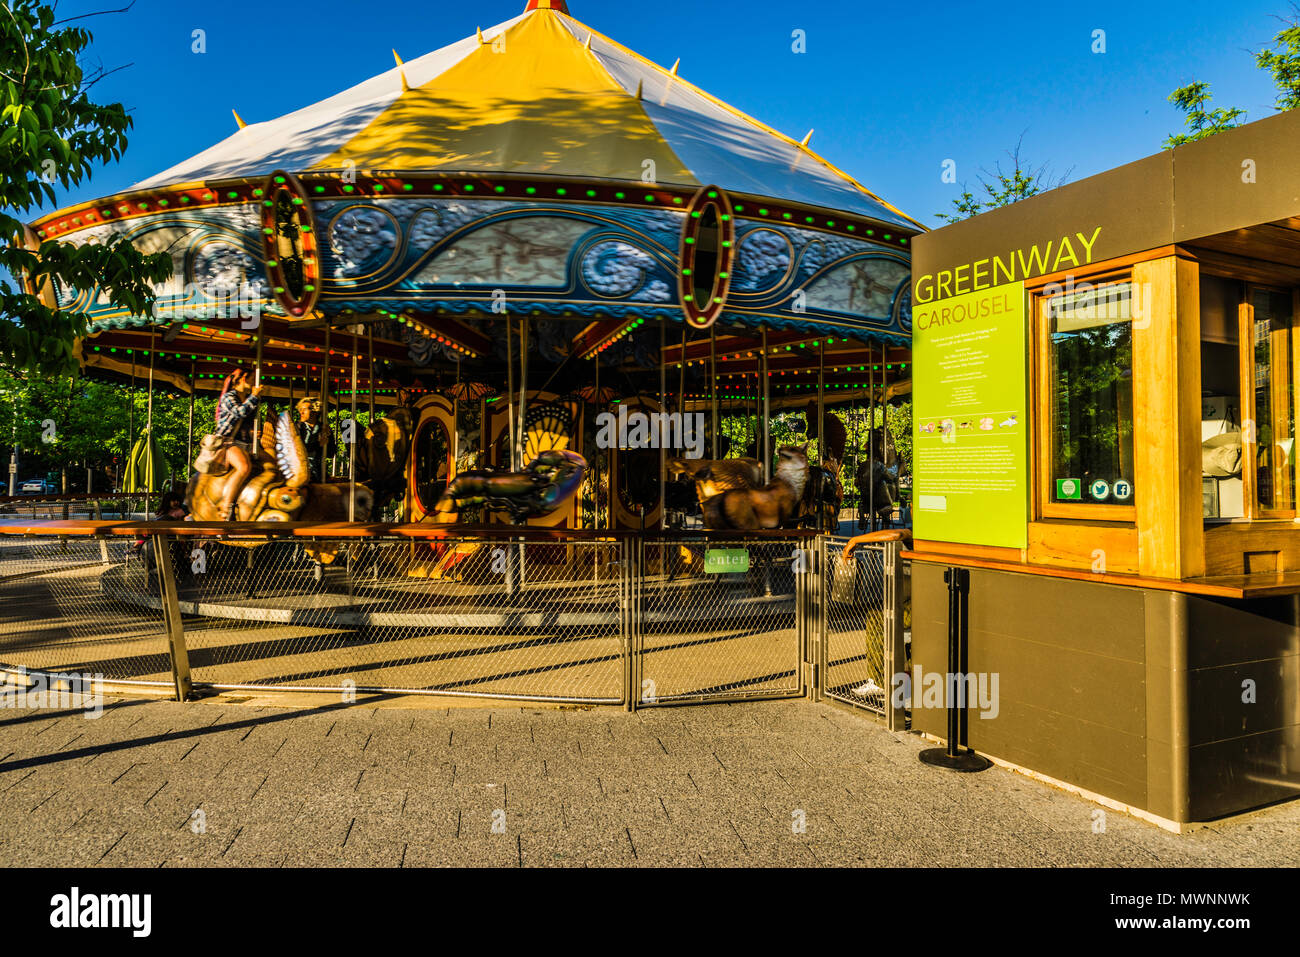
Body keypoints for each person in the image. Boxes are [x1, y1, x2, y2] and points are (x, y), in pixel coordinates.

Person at [214, 369, 264, 521]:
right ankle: (226, 506)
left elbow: (247, 422)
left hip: (245, 442)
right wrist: (255, 396)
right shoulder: (229, 397)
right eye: (253, 379)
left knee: (271, 461)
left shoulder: (247, 398)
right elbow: (240, 412)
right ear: (243, 379)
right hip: (227, 441)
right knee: (244, 467)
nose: (256, 382)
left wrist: (254, 432)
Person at [295, 397, 332, 481]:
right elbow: (299, 449)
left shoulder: (323, 428)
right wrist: (318, 444)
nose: (301, 412)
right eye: (300, 409)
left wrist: (328, 440)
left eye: (305, 409)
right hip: (300, 471)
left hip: (319, 472)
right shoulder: (296, 427)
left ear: (315, 411)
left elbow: (331, 453)